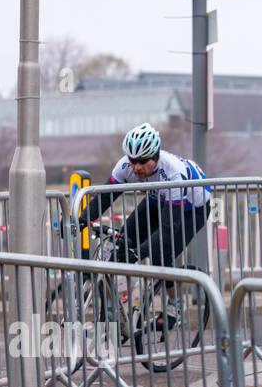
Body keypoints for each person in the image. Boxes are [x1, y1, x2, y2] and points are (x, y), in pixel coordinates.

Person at [79, 123, 211, 322]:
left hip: (192, 209)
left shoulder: (173, 172)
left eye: (142, 162)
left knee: (162, 250)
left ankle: (175, 305)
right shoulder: (124, 166)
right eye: (133, 161)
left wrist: (140, 250)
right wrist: (81, 219)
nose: (136, 167)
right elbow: (105, 198)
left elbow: (168, 229)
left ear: (155, 156)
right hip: (156, 198)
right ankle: (117, 307)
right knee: (122, 243)